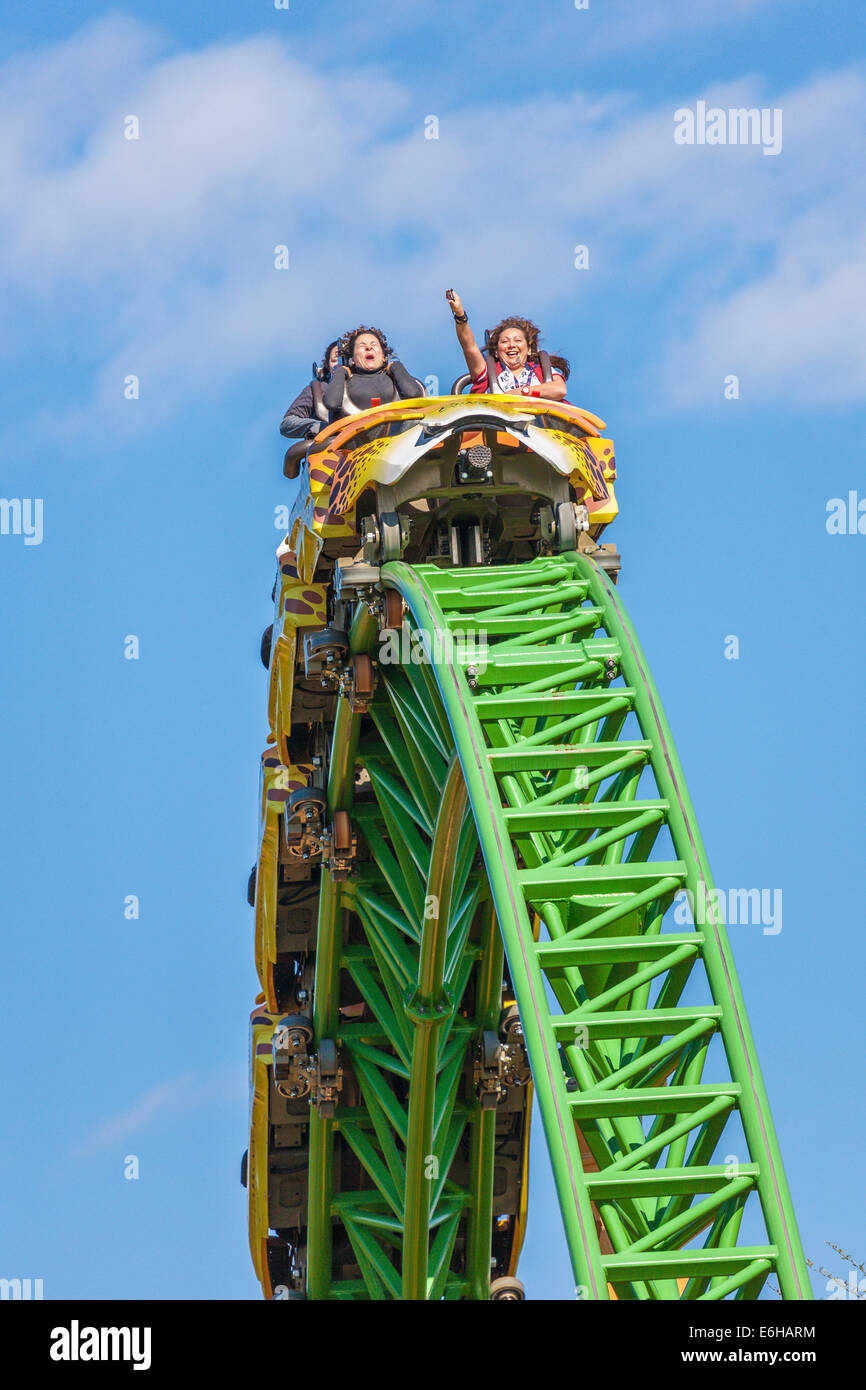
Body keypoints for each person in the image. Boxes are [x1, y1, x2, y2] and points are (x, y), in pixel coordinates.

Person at [446, 289, 569, 400]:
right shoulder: (488, 372)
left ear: (529, 350)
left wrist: (520, 392)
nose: (511, 345)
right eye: (505, 341)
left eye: (518, 340)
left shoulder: (542, 369)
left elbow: (559, 390)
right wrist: (460, 315)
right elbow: (469, 346)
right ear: (496, 352)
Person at [322, 326, 424, 421]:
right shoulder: (344, 383)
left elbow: (414, 395)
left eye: (374, 344)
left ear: (383, 356)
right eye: (362, 345)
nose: (368, 347)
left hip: (397, 430)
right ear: (352, 359)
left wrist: (396, 366)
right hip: (356, 432)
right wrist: (341, 371)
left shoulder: (397, 378)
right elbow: (332, 403)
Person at [279, 340, 341, 440]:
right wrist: (319, 427)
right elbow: (287, 424)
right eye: (334, 360)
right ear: (327, 365)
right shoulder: (317, 390)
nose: (339, 364)